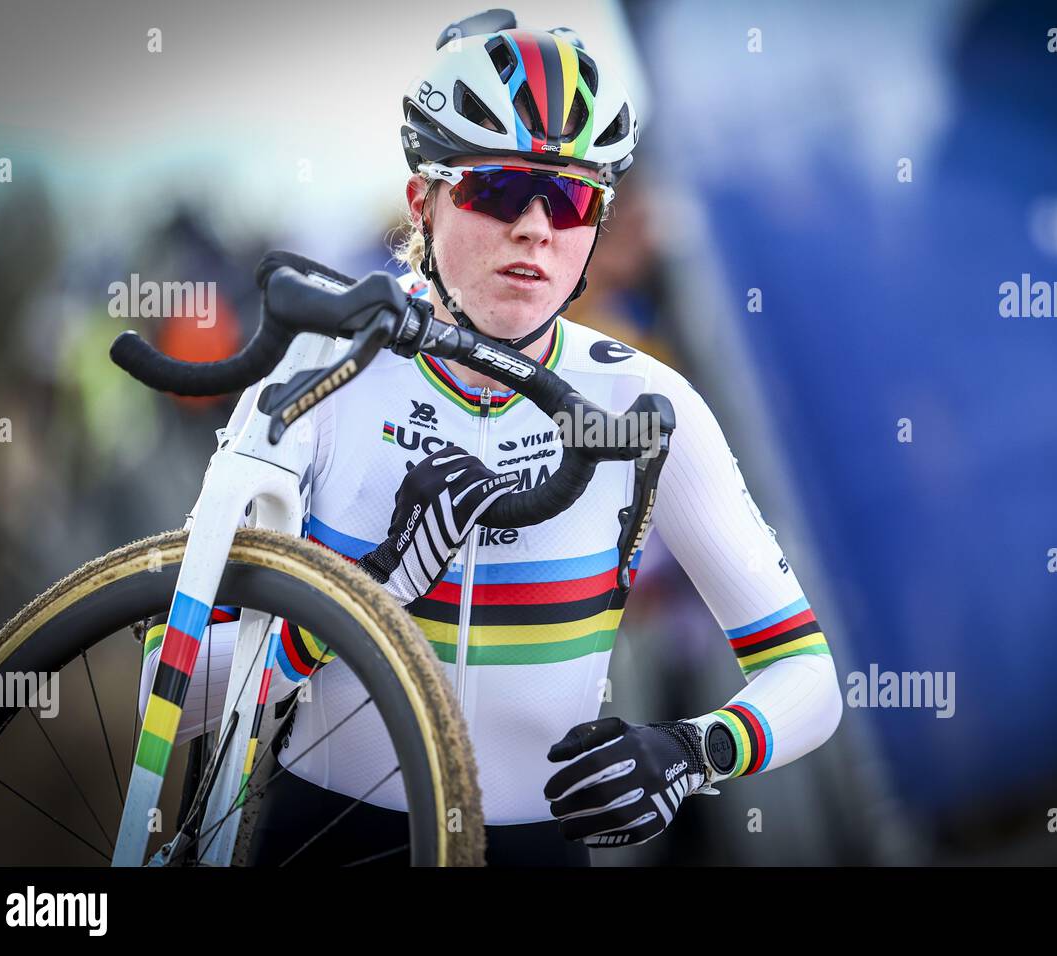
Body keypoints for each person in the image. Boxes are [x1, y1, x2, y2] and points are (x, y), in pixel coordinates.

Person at [142, 14, 843, 866]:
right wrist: (361, 598)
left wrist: (697, 752)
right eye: (501, 190)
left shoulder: (645, 402)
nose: (537, 228)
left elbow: (810, 677)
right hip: (320, 845)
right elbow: (163, 691)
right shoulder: (315, 383)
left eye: (575, 198)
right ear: (422, 201)